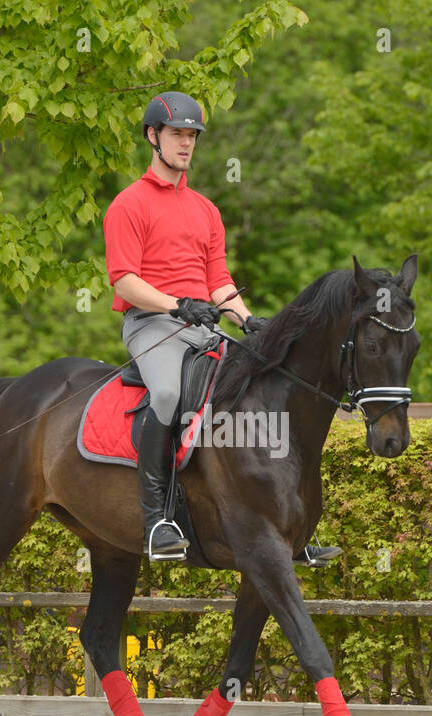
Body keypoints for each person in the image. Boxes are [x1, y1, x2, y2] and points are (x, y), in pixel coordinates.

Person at [103, 91, 342, 568]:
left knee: (263, 388)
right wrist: (178, 305)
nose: (186, 143)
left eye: (192, 136)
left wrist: (247, 318)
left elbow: (219, 281)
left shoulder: (206, 210)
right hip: (153, 326)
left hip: (201, 324)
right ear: (153, 137)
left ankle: (289, 525)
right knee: (168, 394)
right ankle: (157, 521)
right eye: (177, 134)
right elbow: (125, 281)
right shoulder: (128, 204)